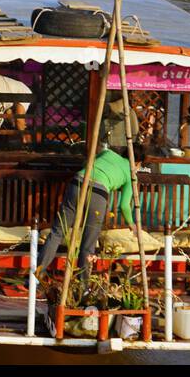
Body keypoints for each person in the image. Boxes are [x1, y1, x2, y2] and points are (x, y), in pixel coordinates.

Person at [36, 100, 140, 281]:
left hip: (78, 183)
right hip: (98, 195)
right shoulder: (132, 173)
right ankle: (83, 287)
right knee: (88, 243)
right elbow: (124, 205)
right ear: (138, 163)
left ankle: (36, 276)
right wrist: (132, 225)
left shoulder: (108, 154)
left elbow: (87, 163)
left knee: (57, 233)